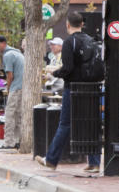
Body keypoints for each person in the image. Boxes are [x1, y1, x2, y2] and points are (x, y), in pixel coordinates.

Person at [38, 12, 103, 173]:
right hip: (91, 88)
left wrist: (55, 73)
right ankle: (94, 163)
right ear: (82, 24)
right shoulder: (91, 41)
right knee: (91, 123)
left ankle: (51, 160)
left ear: (68, 25)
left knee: (65, 124)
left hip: (73, 88)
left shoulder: (69, 42)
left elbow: (67, 68)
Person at [0, 36, 25, 149]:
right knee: (18, 116)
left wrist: (8, 88)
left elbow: (10, 75)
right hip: (23, 87)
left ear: (3, 43)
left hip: (16, 88)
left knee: (10, 115)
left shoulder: (8, 55)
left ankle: (9, 143)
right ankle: (18, 141)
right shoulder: (17, 53)